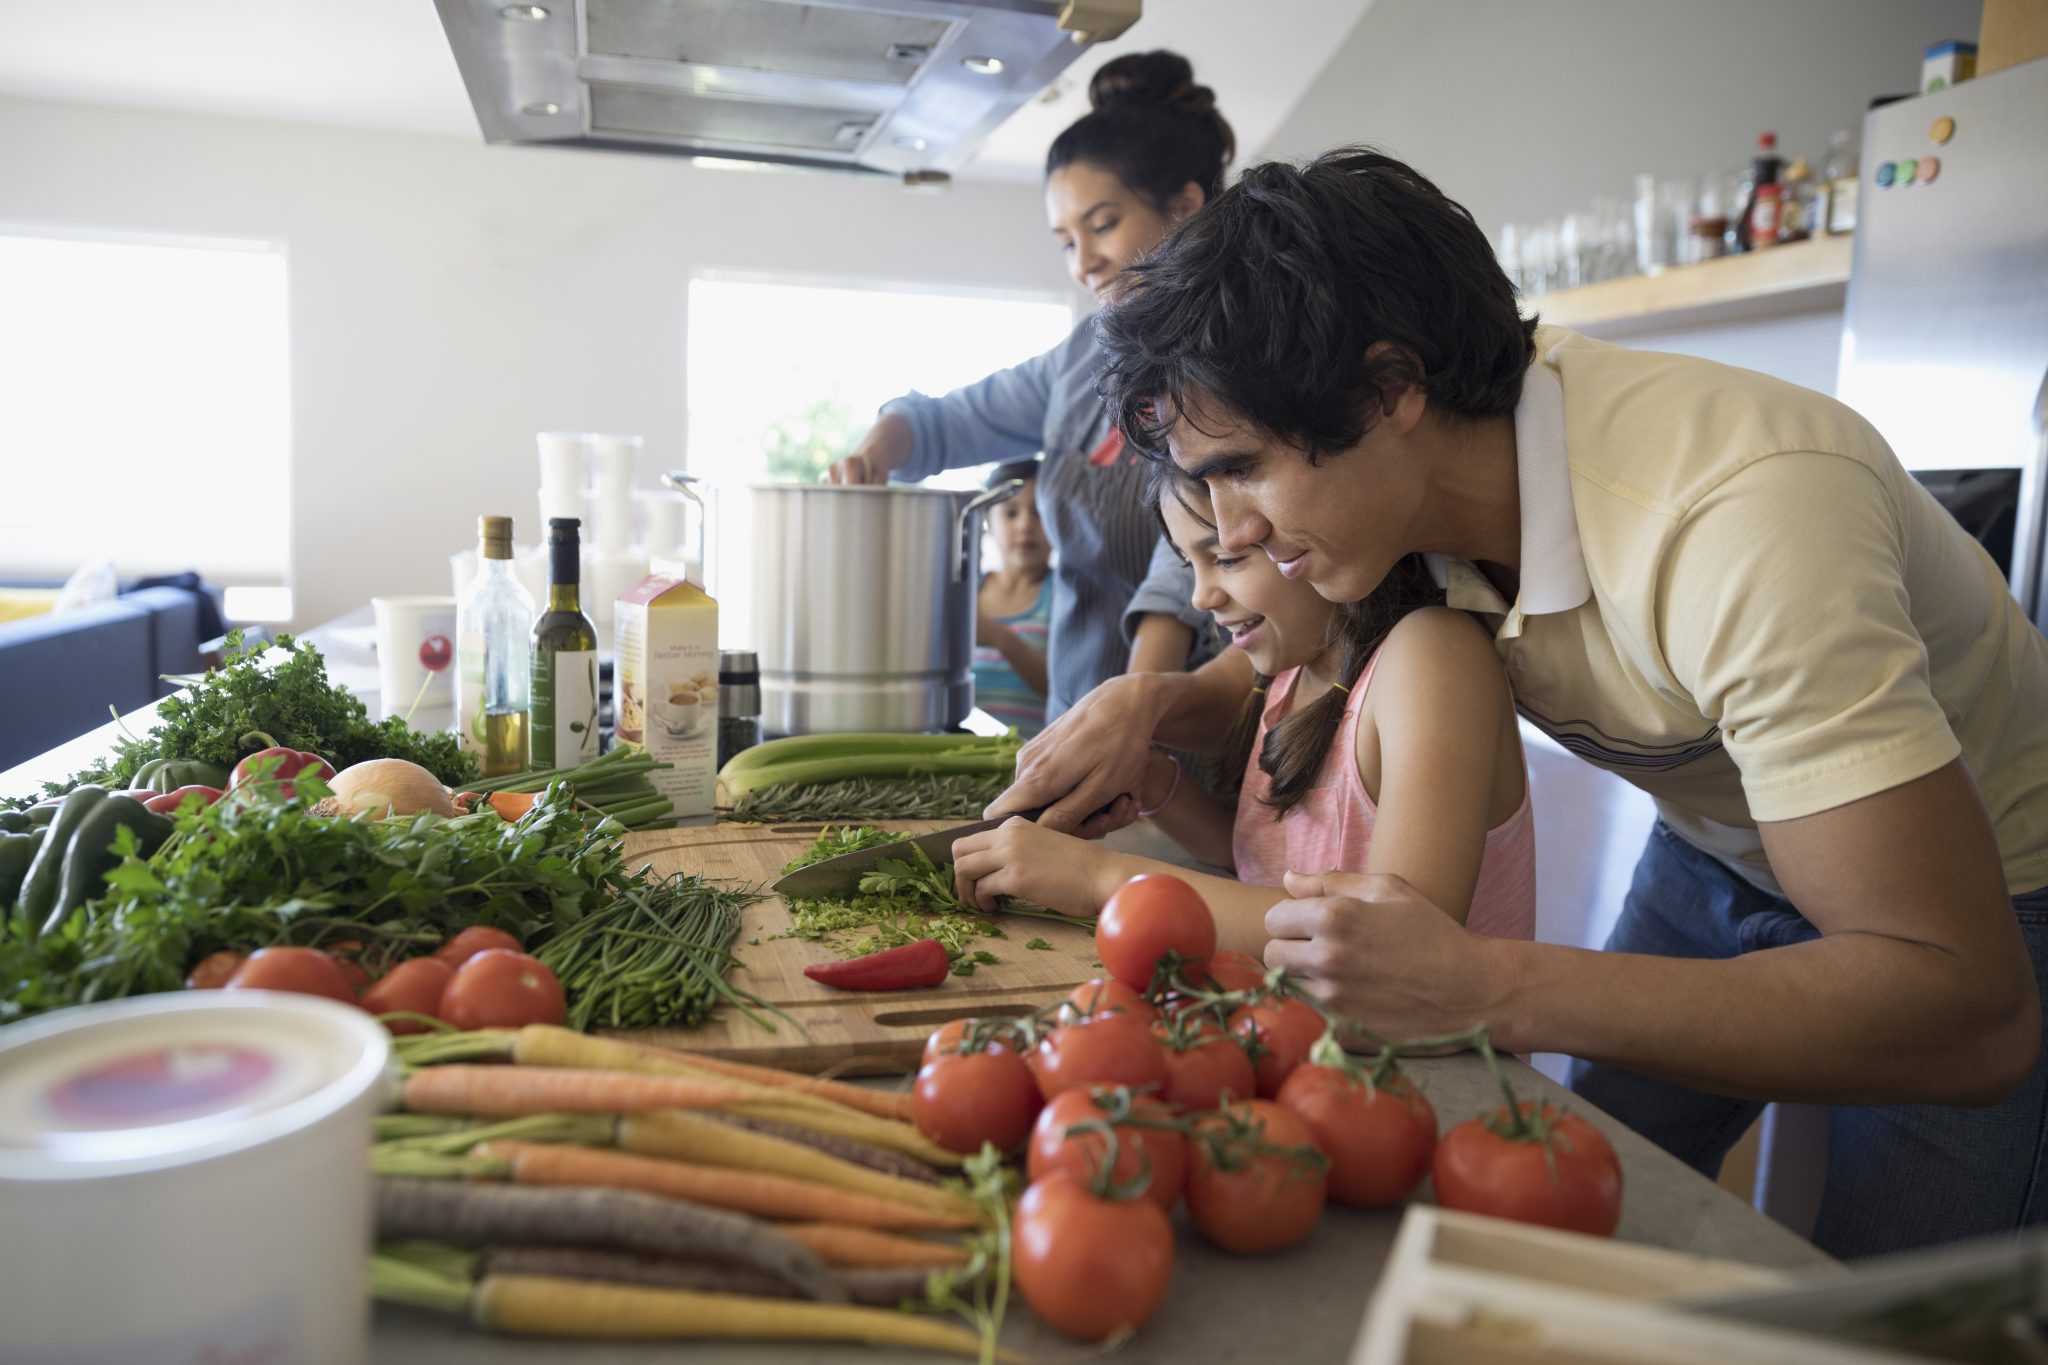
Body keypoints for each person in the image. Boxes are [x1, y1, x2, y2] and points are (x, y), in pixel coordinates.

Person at [988, 147, 2048, 1260]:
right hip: (1712, 847)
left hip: (1987, 894)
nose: (1232, 533)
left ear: (1390, 387)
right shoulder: (1416, 490)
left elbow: (1969, 1016)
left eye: (1241, 469)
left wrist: (1489, 983)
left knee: (1907, 1296)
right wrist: (1155, 702)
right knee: (1596, 1205)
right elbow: (1301, 661)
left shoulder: (1735, 522)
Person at [827, 50, 1231, 739]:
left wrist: (1133, 713)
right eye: (1065, 241)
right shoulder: (1083, 359)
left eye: (1102, 225)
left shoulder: (1235, 358)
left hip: (1182, 735)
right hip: (1075, 724)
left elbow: (1191, 546)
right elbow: (942, 423)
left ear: (1187, 206)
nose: (1084, 262)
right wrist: (878, 447)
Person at [954, 474, 1536, 948]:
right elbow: (1257, 863)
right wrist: (1155, 781)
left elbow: (1392, 944)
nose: (1201, 597)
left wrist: (1101, 879)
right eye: (1192, 566)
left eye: (1228, 559)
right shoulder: (1287, 675)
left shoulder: (1433, 657)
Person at [973, 459, 1053, 736]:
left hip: (1032, 762)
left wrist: (1000, 638)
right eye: (1010, 513)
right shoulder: (968, 591)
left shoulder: (1063, 595)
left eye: (1040, 513)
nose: (1025, 525)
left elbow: (1063, 687)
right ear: (987, 521)